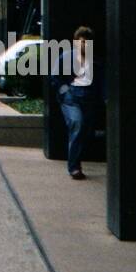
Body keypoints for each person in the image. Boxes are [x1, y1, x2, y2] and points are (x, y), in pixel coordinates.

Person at [51, 26, 100, 180]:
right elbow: (54, 77)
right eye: (82, 42)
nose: (84, 45)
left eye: (87, 42)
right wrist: (65, 91)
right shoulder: (66, 57)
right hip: (71, 99)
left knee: (83, 132)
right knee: (77, 124)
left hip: (88, 99)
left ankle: (76, 163)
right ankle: (74, 167)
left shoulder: (95, 60)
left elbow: (101, 81)